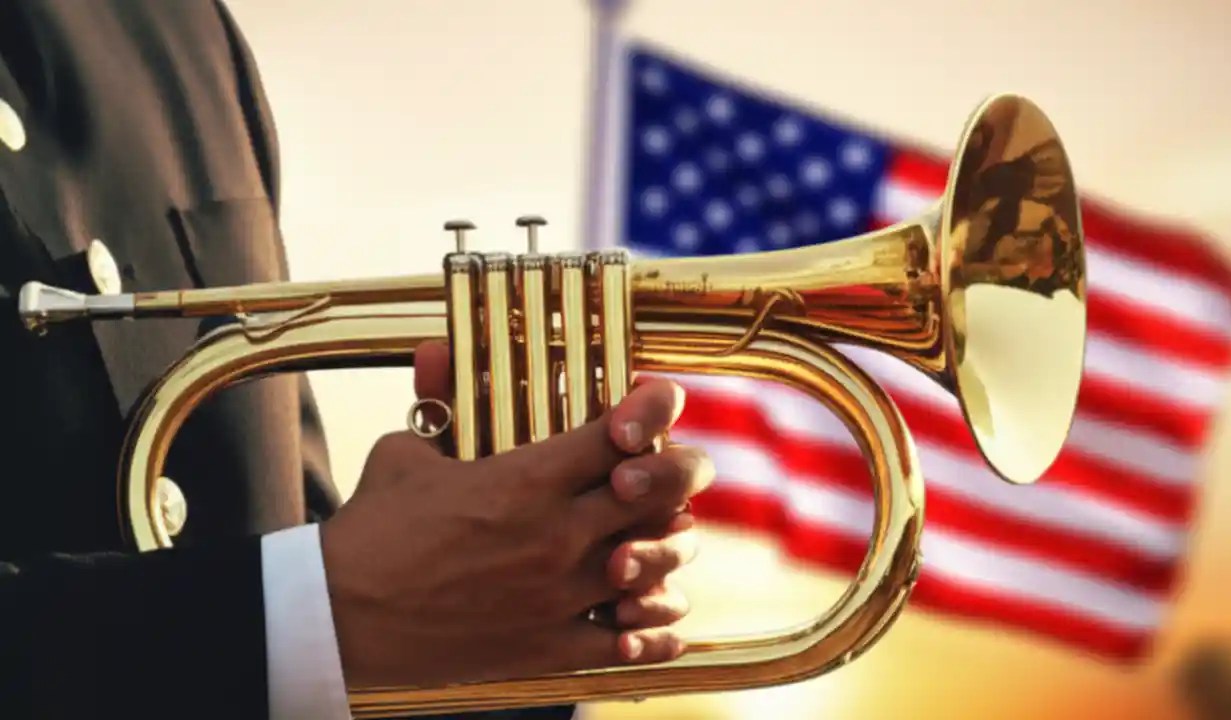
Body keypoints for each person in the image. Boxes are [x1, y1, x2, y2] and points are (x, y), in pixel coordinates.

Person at [0, 2, 710, 719]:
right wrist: (313, 615)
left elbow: (286, 531)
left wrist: (502, 595)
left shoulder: (190, 31)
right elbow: (301, 614)